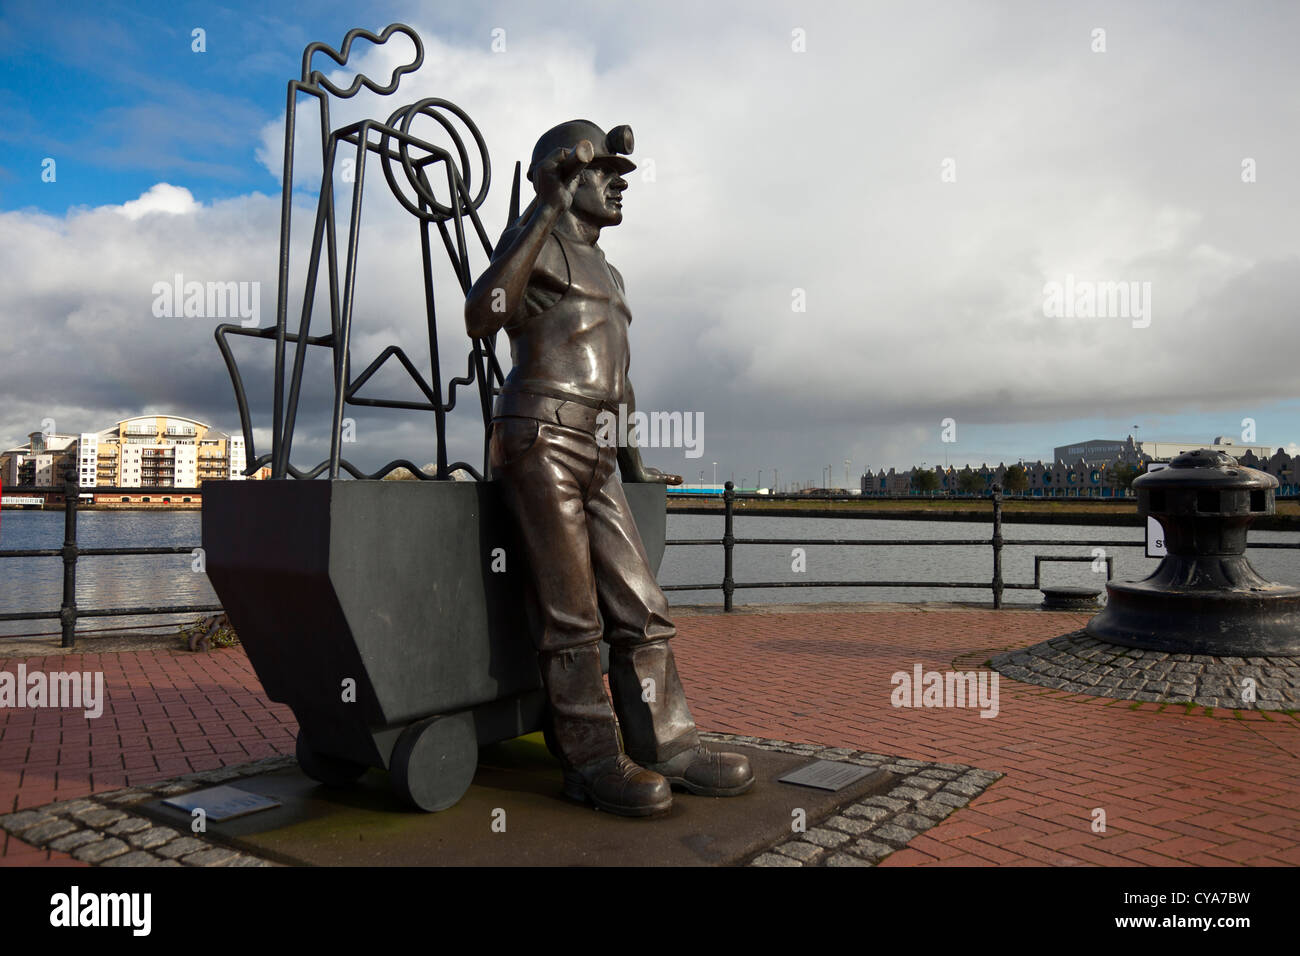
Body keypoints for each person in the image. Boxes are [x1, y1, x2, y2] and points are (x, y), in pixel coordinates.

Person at [464, 119, 753, 816]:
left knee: (643, 607)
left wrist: (635, 463)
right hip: (540, 437)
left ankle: (669, 745)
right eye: (604, 171)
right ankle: (592, 762)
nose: (620, 183)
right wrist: (544, 203)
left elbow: (618, 378)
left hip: (597, 449)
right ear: (565, 178)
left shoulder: (609, 270)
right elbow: (483, 314)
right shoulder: (538, 243)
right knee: (573, 617)